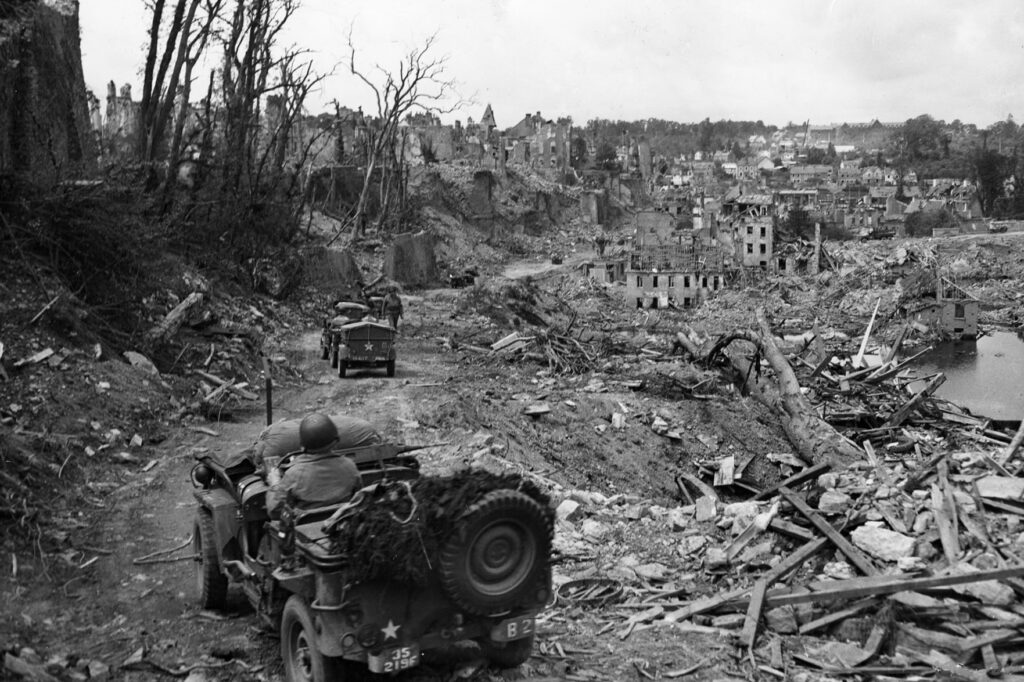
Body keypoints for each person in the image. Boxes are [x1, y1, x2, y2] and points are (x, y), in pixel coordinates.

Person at [265, 413, 362, 518]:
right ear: (335, 441)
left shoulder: (294, 474)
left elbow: (275, 511)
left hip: (304, 531)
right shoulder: (350, 466)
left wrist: (275, 484)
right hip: (341, 527)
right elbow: (358, 498)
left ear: (302, 447)